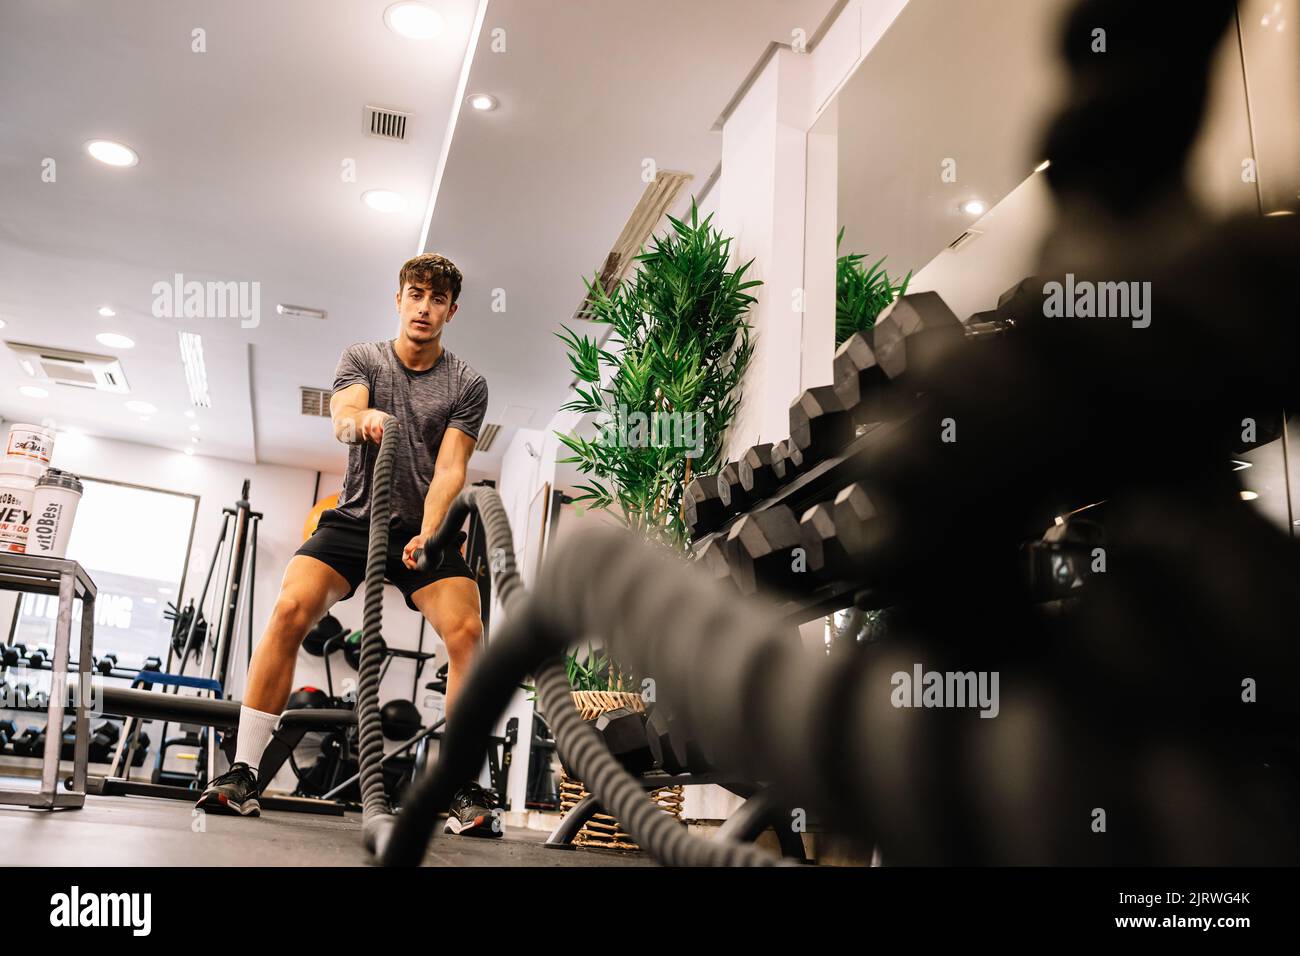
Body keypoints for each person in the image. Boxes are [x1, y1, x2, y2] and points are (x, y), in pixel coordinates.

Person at [195, 253, 499, 837]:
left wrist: (431, 534)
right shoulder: (363, 357)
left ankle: (459, 784)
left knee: (467, 632)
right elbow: (342, 412)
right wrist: (361, 423)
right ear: (399, 299)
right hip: (356, 518)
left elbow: (451, 469)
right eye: (415, 294)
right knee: (288, 609)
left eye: (437, 300)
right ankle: (244, 772)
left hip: (421, 528)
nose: (424, 307)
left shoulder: (467, 383)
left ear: (451, 312)